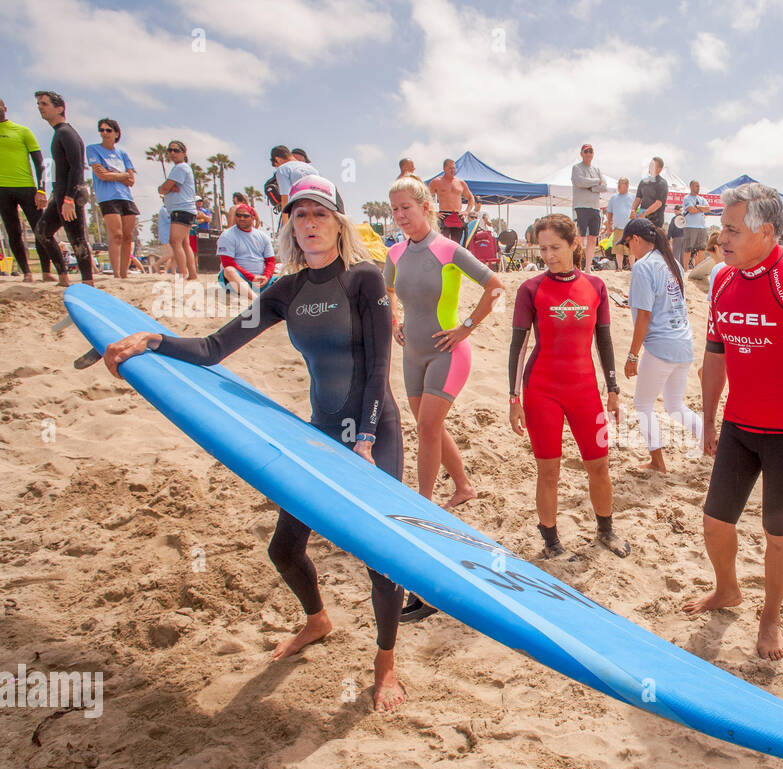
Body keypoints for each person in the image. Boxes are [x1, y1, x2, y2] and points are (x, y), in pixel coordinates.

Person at [102, 175, 410, 712]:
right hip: (319, 435)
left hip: (372, 434)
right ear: (289, 225)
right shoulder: (284, 292)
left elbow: (381, 365)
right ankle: (318, 620)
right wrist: (153, 340)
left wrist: (362, 438)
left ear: (338, 222)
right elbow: (214, 347)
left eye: (319, 214)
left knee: (379, 560)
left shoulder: (364, 278)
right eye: (299, 216)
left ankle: (385, 662)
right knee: (284, 549)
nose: (309, 224)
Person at [684, 182, 783, 661]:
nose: (723, 238)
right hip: (740, 426)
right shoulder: (724, 282)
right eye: (721, 229)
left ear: (766, 231)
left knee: (779, 533)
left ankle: (771, 618)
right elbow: (715, 359)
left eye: (732, 229)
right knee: (715, 521)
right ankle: (727, 590)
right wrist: (709, 420)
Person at [508, 213, 627, 559]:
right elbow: (519, 347)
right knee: (549, 470)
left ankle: (606, 531)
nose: (547, 255)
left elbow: (603, 341)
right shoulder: (530, 289)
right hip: (542, 389)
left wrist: (613, 388)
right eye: (542, 248)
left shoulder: (596, 286)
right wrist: (514, 398)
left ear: (574, 245)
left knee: (599, 464)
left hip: (584, 389)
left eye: (555, 247)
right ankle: (551, 543)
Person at [386, 177, 501, 506]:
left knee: (427, 426)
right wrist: (395, 323)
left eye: (406, 207)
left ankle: (423, 504)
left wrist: (466, 326)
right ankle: (463, 487)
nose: (400, 215)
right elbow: (388, 291)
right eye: (395, 209)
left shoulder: (448, 249)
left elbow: (494, 287)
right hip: (412, 354)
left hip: (448, 353)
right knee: (429, 427)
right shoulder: (394, 254)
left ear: (426, 207)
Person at [622, 217, 702, 472]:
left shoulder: (643, 266)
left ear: (635, 239)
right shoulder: (673, 262)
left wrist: (632, 356)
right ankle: (713, 446)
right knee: (675, 405)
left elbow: (644, 316)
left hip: (661, 345)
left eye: (628, 244)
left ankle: (658, 462)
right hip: (683, 342)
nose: (628, 250)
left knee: (643, 404)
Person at [32, 91, 92, 287]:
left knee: (77, 239)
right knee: (42, 232)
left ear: (59, 108)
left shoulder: (66, 132)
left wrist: (69, 198)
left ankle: (88, 282)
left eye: (44, 104)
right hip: (61, 194)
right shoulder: (59, 133)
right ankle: (64, 277)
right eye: (39, 104)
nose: (40, 107)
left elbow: (76, 167)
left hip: (69, 195)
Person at [0, 96, 54, 281]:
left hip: (26, 188)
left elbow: (40, 163)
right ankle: (27, 273)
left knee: (41, 229)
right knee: (13, 232)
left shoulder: (22, 131)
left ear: (4, 107)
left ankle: (46, 272)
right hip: (2, 191)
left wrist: (41, 189)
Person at [85, 118, 138, 279]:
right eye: (101, 130)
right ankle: (116, 274)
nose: (104, 133)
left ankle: (124, 273)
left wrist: (112, 173)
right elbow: (101, 175)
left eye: (108, 130)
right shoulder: (93, 149)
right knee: (116, 235)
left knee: (128, 236)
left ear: (116, 133)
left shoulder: (122, 154)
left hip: (126, 197)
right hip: (107, 196)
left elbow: (131, 180)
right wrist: (121, 175)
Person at [157, 140, 198, 281]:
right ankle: (191, 274)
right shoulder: (182, 168)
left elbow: (163, 188)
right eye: (170, 150)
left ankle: (183, 274)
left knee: (175, 242)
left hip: (182, 209)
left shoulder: (180, 167)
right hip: (184, 209)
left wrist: (165, 188)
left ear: (183, 153)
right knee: (184, 243)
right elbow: (167, 187)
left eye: (176, 150)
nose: (172, 153)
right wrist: (167, 188)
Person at [215, 204, 275, 293]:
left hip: (260, 279)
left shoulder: (263, 236)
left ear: (253, 218)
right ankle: (254, 300)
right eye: (238, 215)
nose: (241, 218)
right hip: (237, 279)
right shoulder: (227, 235)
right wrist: (252, 277)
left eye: (245, 216)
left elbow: (270, 261)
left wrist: (266, 277)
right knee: (229, 270)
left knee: (284, 279)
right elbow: (227, 262)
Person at [570, 143, 605, 271]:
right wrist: (595, 182)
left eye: (591, 151)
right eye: (586, 151)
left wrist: (588, 185)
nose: (589, 153)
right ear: (581, 153)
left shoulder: (597, 169)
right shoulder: (576, 168)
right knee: (580, 237)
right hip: (581, 206)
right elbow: (579, 181)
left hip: (595, 207)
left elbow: (604, 186)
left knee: (593, 238)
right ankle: (577, 266)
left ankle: (588, 267)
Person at [430, 158, 478, 244]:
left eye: (454, 168)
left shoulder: (460, 182)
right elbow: (424, 198)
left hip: (457, 215)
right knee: (443, 243)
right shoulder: (436, 182)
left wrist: (466, 212)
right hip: (443, 215)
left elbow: (471, 198)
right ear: (444, 168)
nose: (452, 170)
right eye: (450, 168)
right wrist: (433, 212)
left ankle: (454, 258)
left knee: (456, 244)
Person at [268, 145, 317, 212]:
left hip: (299, 211)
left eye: (277, 165)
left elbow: (285, 199)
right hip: (317, 209)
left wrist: (286, 222)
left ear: (277, 159)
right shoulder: (312, 169)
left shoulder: (283, 169)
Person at [605, 176, 634, 270]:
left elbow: (637, 211)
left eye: (621, 183)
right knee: (618, 248)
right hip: (617, 227)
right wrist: (608, 225)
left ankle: (632, 267)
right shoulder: (613, 197)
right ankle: (620, 267)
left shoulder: (633, 197)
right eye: (618, 183)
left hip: (630, 227)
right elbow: (609, 212)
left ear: (627, 185)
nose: (618, 186)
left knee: (631, 249)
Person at [632, 157, 668, 228]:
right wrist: (633, 210)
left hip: (655, 220)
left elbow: (658, 203)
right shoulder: (643, 182)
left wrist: (645, 213)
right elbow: (638, 198)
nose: (650, 167)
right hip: (642, 218)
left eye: (653, 165)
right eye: (650, 164)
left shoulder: (662, 183)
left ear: (659, 169)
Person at [681, 180, 709, 270]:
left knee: (701, 249)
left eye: (699, 186)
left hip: (702, 227)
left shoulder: (702, 199)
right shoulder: (687, 198)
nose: (698, 188)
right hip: (690, 226)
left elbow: (708, 209)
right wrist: (701, 209)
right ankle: (685, 269)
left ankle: (698, 270)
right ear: (691, 186)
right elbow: (691, 211)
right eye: (696, 186)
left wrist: (697, 207)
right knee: (688, 249)